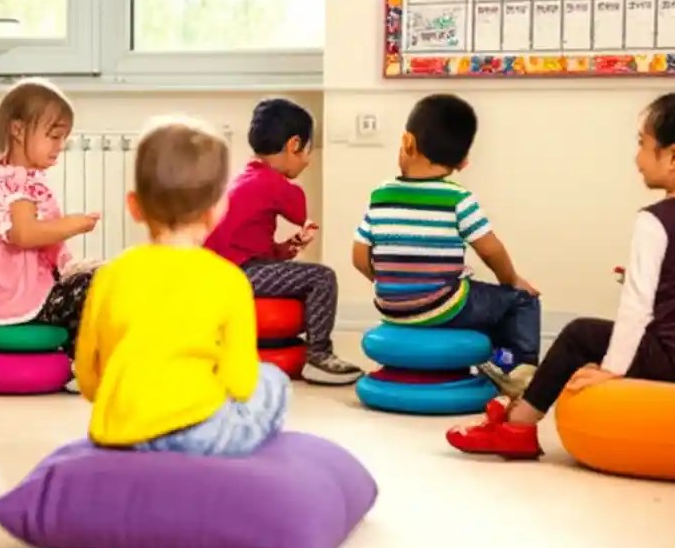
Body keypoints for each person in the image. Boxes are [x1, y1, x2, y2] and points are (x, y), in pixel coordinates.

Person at [448, 91, 675, 459]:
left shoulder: (656, 218)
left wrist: (613, 370)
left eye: (642, 144)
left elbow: (638, 305)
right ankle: (517, 415)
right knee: (630, 334)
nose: (637, 158)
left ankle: (518, 425)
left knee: (579, 334)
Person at [74, 118, 289, 457]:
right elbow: (241, 381)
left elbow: (88, 376)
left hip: (119, 432)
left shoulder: (109, 275)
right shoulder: (228, 278)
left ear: (134, 206)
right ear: (217, 210)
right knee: (273, 382)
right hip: (200, 434)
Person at [352, 94, 540, 375]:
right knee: (521, 301)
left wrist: (394, 284)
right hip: (446, 304)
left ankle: (494, 359)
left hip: (390, 306)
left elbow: (358, 257)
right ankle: (514, 369)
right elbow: (490, 250)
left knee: (480, 297)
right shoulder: (458, 198)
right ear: (463, 162)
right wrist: (511, 281)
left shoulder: (381, 195)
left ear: (407, 142)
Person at [204, 98, 363, 385]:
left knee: (297, 275)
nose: (308, 160)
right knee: (322, 278)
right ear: (294, 145)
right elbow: (299, 209)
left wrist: (286, 249)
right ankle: (319, 355)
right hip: (237, 275)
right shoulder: (271, 182)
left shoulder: (244, 177)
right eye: (307, 152)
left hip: (224, 271)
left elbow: (250, 249)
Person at [0, 78, 101, 388]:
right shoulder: (12, 183)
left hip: (38, 292)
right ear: (17, 129)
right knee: (94, 288)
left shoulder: (29, 181)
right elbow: (24, 234)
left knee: (101, 279)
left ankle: (84, 360)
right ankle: (84, 366)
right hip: (21, 301)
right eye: (53, 136)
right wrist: (75, 223)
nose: (59, 146)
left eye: (63, 138)